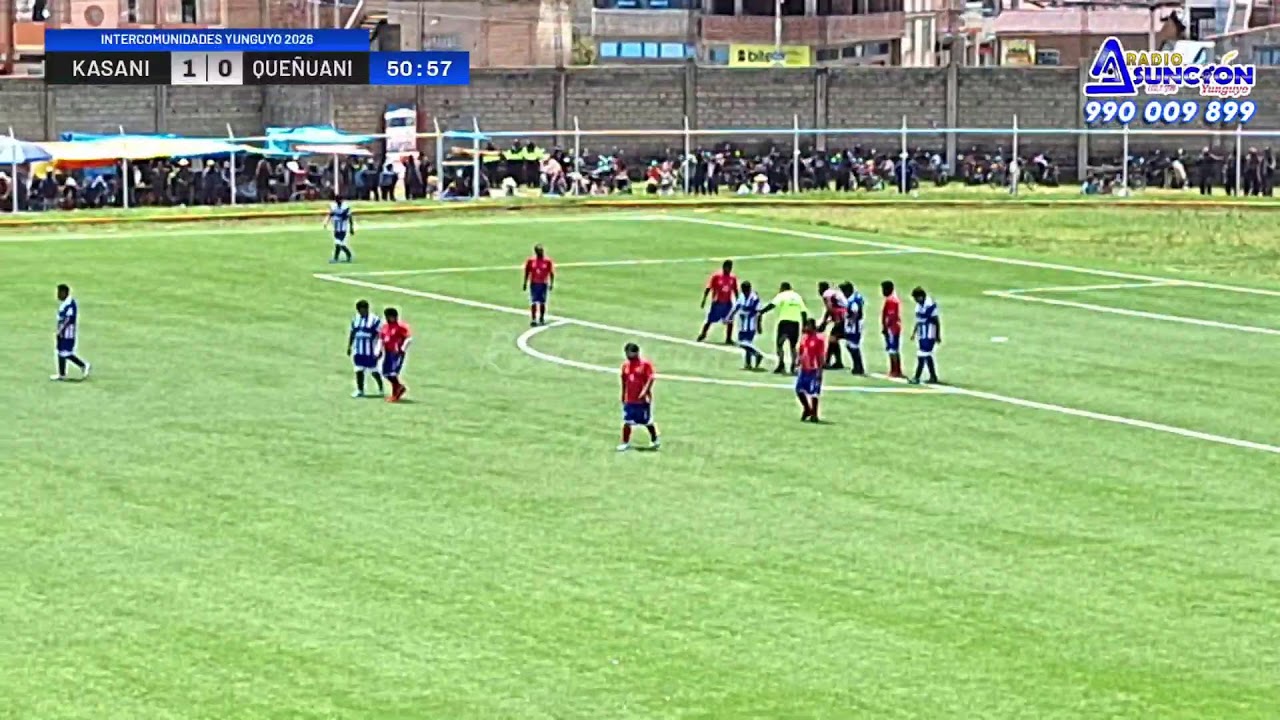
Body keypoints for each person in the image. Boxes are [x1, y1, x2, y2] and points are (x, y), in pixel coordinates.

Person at [758, 281, 809, 375]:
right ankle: (794, 366)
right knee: (793, 346)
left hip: (784, 322)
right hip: (795, 323)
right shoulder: (797, 296)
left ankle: (781, 365)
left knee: (779, 344)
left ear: (782, 288)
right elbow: (803, 312)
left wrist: (762, 311)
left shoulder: (782, 295)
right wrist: (805, 325)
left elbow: (772, 305)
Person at [618, 343, 660, 452]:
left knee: (646, 421)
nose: (627, 355)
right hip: (630, 399)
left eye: (629, 352)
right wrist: (623, 395)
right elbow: (624, 381)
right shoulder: (625, 366)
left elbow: (651, 378)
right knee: (627, 421)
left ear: (636, 353)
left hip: (642, 400)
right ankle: (625, 442)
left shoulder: (645, 365)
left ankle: (655, 439)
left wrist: (644, 392)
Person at [51, 284, 90, 381]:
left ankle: (83, 365)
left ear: (64, 293)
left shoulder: (70, 304)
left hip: (68, 333)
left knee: (66, 352)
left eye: (59, 293)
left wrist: (61, 330)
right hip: (62, 331)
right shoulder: (65, 303)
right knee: (60, 352)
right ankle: (62, 374)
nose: (57, 295)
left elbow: (68, 319)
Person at [347, 299, 384, 398]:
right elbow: (352, 333)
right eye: (359, 310)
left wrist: (379, 349)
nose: (361, 312)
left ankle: (381, 387)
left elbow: (381, 335)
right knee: (358, 370)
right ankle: (360, 390)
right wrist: (349, 346)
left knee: (373, 371)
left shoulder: (375, 320)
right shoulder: (355, 319)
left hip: (370, 351)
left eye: (363, 310)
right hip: (358, 350)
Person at [697, 259, 738, 344]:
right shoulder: (716, 276)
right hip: (717, 302)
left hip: (727, 303)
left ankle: (728, 338)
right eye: (728, 267)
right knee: (710, 320)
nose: (729, 269)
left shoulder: (732, 278)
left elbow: (735, 289)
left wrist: (738, 300)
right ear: (724, 267)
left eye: (730, 267)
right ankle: (703, 334)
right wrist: (704, 299)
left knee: (730, 320)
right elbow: (709, 288)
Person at [379, 307, 412, 403]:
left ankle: (396, 394)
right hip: (387, 353)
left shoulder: (401, 327)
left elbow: (408, 338)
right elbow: (382, 339)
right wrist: (379, 350)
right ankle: (399, 388)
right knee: (385, 372)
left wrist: (403, 348)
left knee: (393, 373)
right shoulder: (385, 327)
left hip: (396, 353)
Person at [909, 286, 942, 385]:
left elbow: (936, 321)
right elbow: (918, 321)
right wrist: (914, 332)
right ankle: (933, 376)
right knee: (927, 355)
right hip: (922, 332)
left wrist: (937, 335)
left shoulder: (930, 305)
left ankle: (917, 377)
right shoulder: (919, 306)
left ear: (920, 297)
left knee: (922, 354)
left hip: (930, 332)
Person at [796, 318, 826, 422]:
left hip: (814, 369)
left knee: (814, 393)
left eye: (807, 326)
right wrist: (797, 361)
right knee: (799, 390)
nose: (805, 328)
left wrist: (820, 371)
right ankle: (807, 408)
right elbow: (801, 351)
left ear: (812, 327)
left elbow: (821, 356)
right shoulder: (804, 338)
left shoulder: (819, 339)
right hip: (804, 369)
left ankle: (814, 413)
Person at [732, 281, 765, 369]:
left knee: (742, 343)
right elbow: (737, 306)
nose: (745, 292)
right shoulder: (742, 296)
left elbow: (758, 311)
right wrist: (730, 316)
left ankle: (757, 354)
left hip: (751, 325)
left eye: (747, 291)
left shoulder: (755, 298)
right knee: (747, 344)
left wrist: (759, 325)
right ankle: (748, 363)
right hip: (742, 324)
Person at [522, 244, 555, 327]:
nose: (541, 253)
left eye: (542, 251)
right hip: (534, 283)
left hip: (543, 283)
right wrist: (525, 283)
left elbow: (551, 273)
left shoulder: (547, 261)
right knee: (533, 301)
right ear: (536, 252)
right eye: (539, 251)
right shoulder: (531, 261)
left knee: (542, 302)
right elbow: (527, 272)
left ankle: (541, 318)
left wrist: (551, 283)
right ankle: (533, 318)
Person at [818, 281, 847, 370]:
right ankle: (837, 361)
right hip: (844, 315)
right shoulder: (833, 293)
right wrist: (825, 322)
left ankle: (828, 362)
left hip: (841, 317)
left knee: (832, 339)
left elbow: (829, 308)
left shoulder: (826, 294)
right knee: (834, 340)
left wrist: (824, 323)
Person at [839, 281, 866, 375]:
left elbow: (855, 312)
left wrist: (851, 323)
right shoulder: (857, 296)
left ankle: (858, 367)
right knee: (851, 345)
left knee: (853, 346)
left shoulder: (852, 300)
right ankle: (857, 366)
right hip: (856, 324)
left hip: (855, 325)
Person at [881, 280, 903, 378]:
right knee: (892, 349)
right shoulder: (891, 299)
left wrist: (886, 327)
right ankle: (895, 370)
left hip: (892, 328)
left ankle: (895, 370)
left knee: (893, 350)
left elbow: (891, 315)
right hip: (892, 327)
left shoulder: (892, 300)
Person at [325, 195, 354, 264]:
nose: (339, 202)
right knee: (339, 244)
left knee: (338, 243)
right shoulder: (333, 206)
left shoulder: (345, 207)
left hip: (343, 229)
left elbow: (349, 217)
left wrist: (351, 228)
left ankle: (344, 256)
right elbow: (330, 214)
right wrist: (326, 222)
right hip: (336, 228)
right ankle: (342, 257)